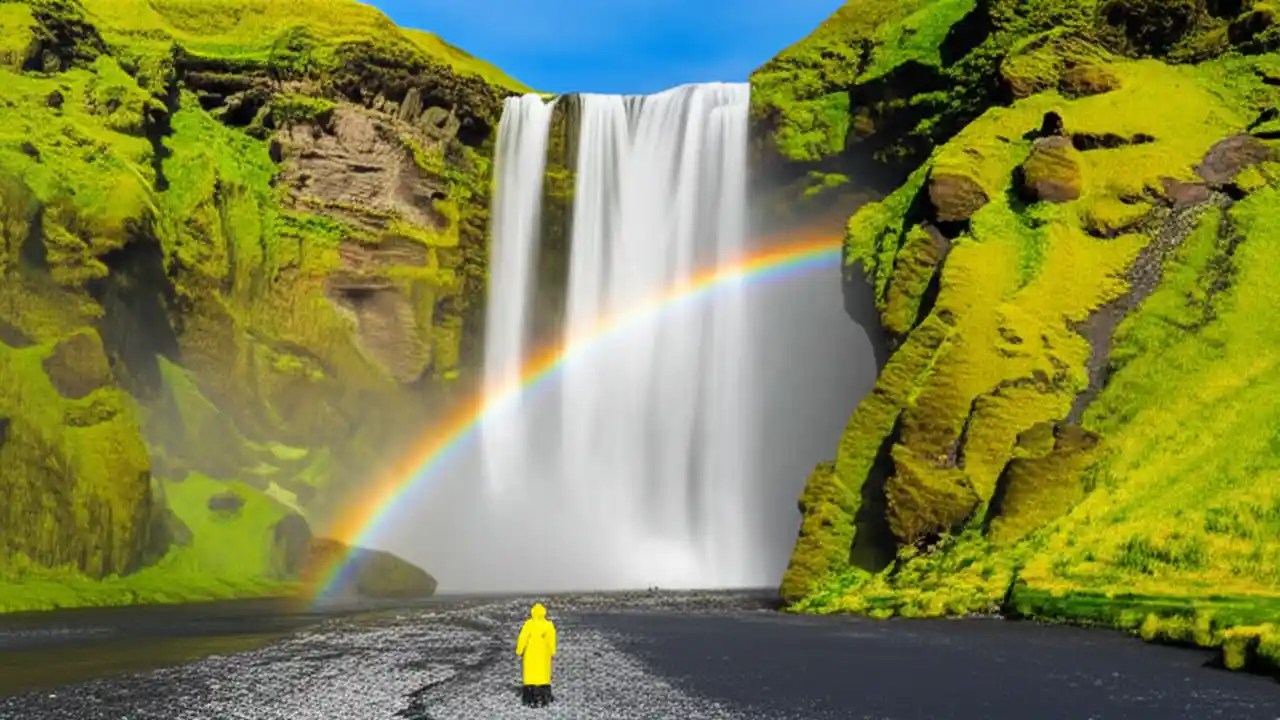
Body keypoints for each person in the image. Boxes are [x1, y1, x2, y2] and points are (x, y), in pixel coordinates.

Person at [516, 603, 556, 707]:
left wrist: (519, 650)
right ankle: (544, 696)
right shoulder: (548, 625)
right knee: (543, 674)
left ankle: (529, 697)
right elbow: (551, 640)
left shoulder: (529, 624)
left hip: (530, 653)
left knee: (530, 674)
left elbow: (523, 638)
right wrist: (552, 651)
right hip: (543, 654)